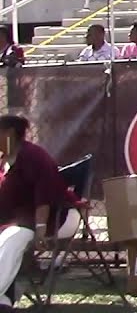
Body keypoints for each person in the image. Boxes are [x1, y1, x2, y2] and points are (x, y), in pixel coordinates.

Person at [0, 114, 76, 309]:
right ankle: (5, 300)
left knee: (12, 237)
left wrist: (41, 229)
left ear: (8, 134)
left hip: (56, 217)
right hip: (19, 221)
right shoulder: (3, 161)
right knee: (10, 234)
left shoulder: (33, 156)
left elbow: (45, 196)